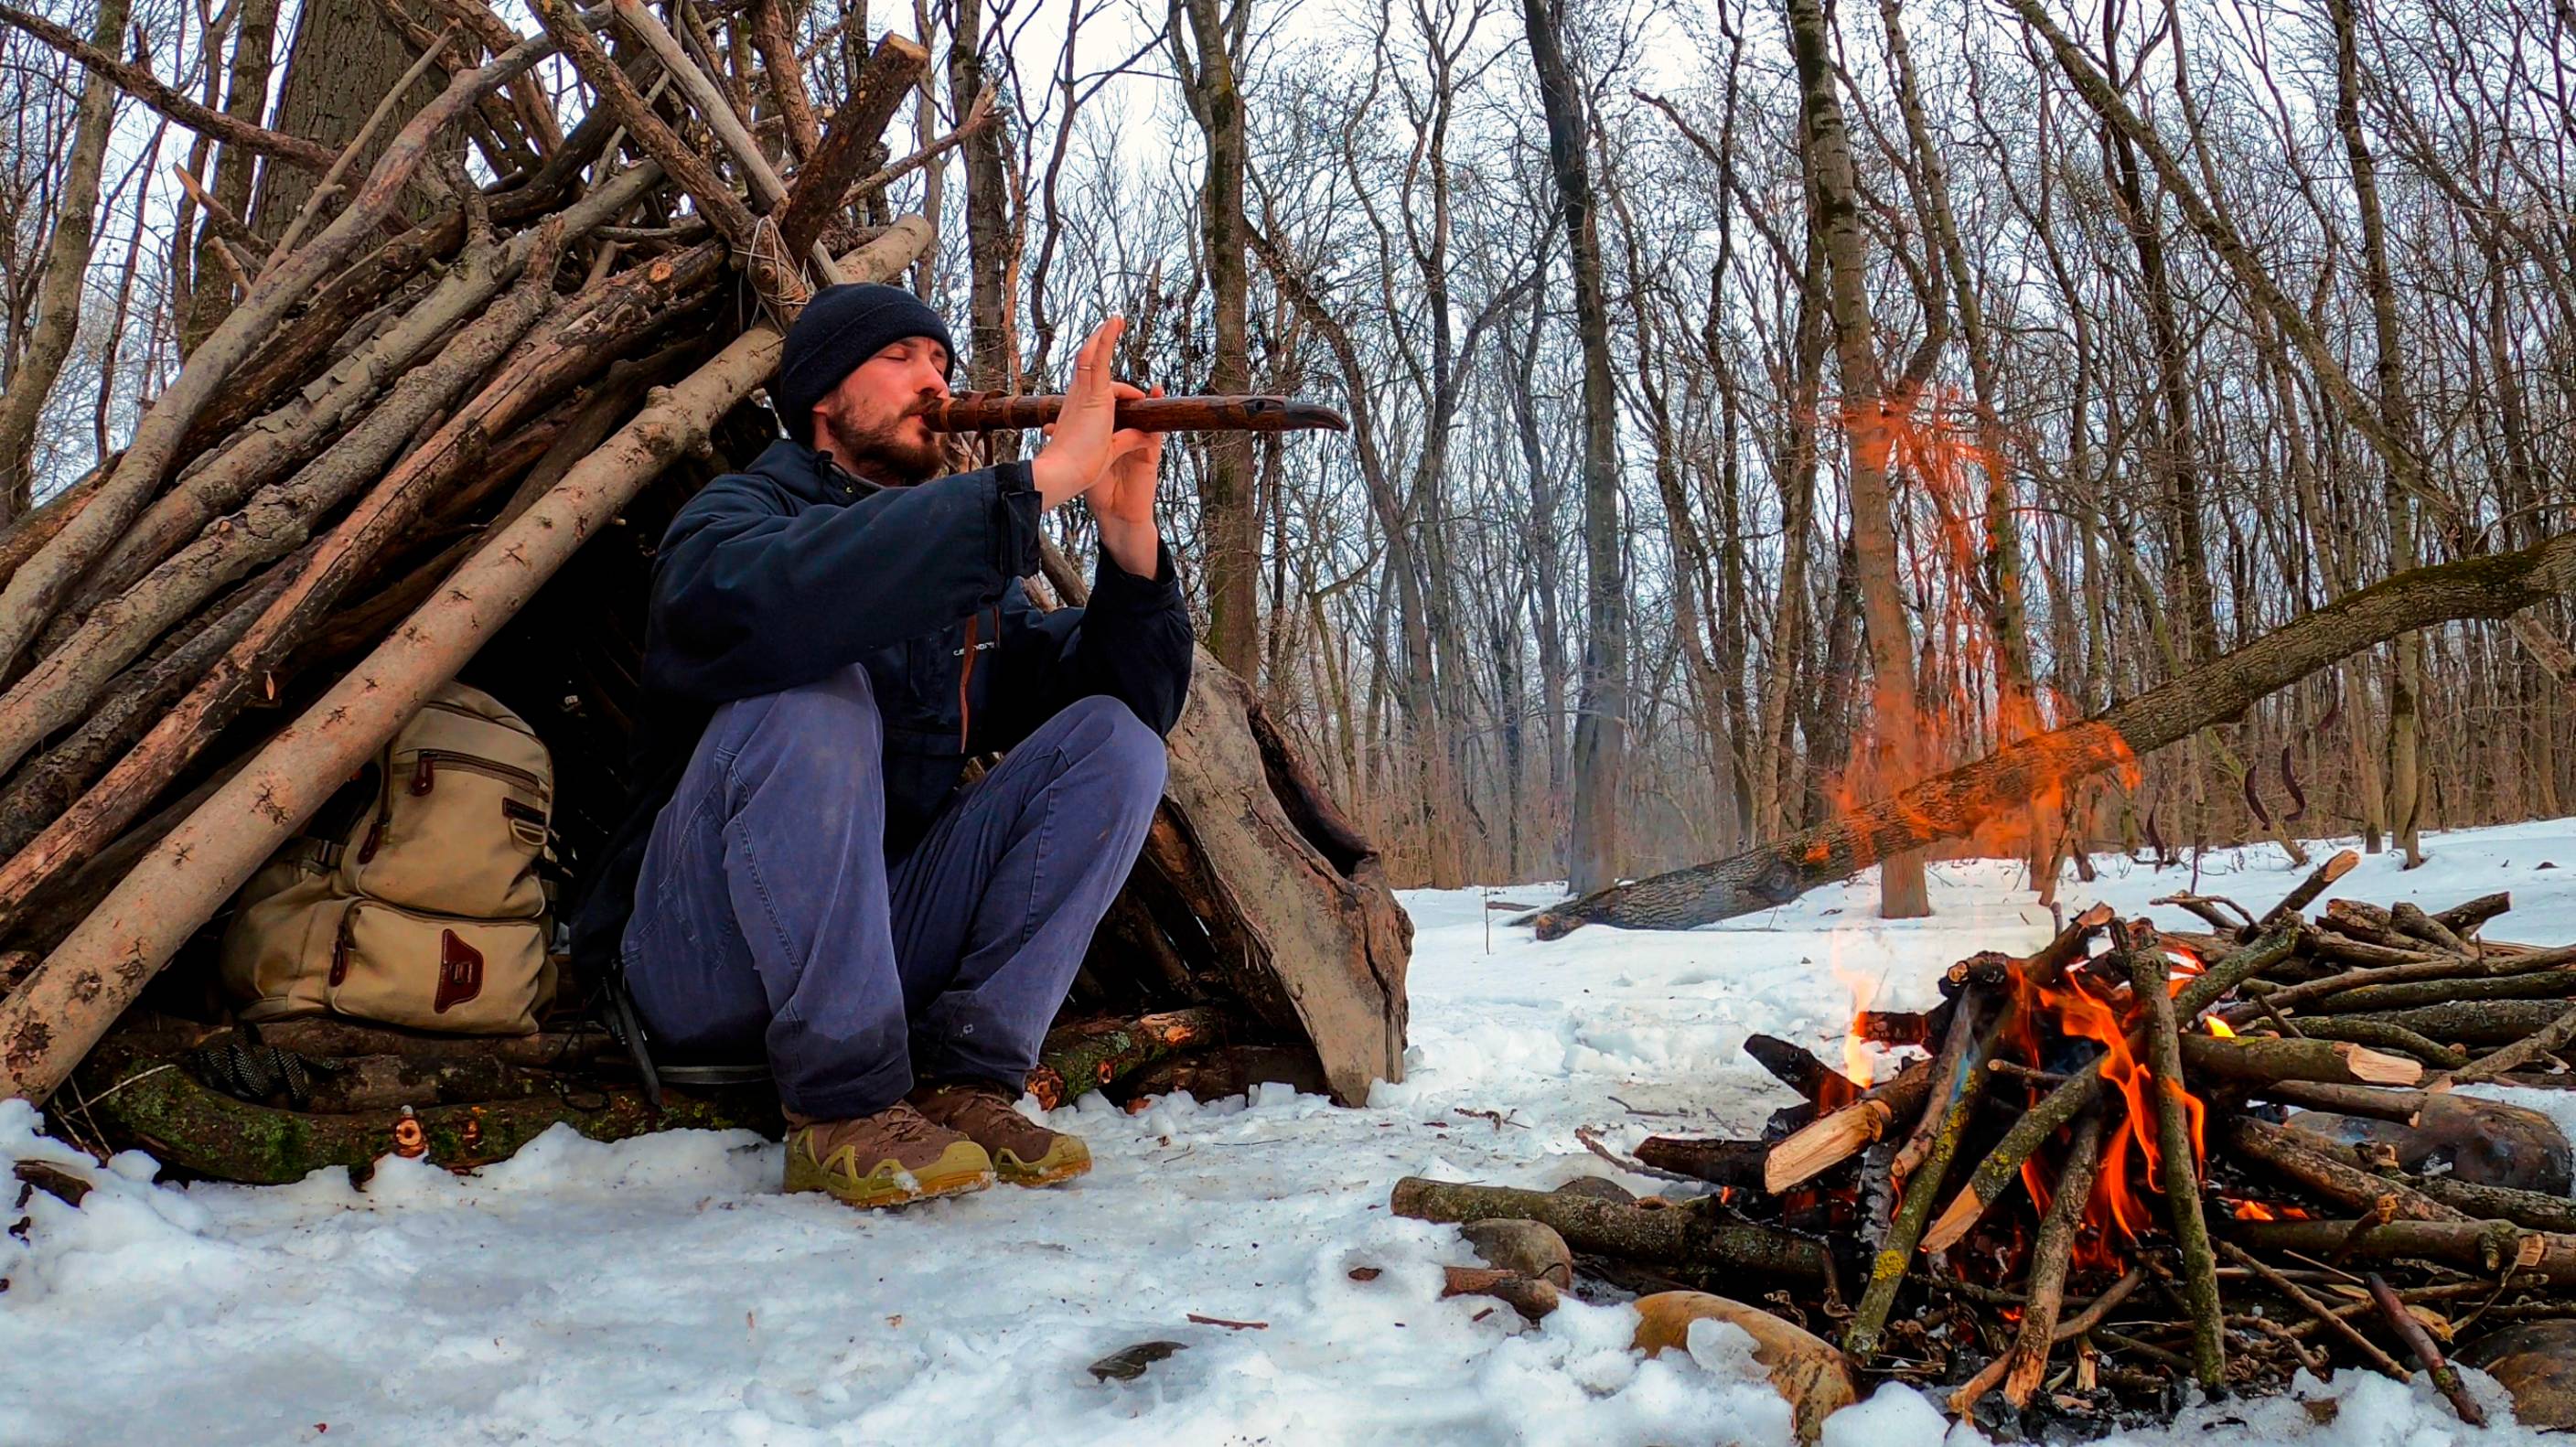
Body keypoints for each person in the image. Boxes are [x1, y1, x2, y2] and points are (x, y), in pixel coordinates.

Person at [570, 284, 1193, 1209]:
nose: (931, 378)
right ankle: (843, 1106)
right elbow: (784, 596)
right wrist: (1034, 483)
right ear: (823, 394)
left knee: (1118, 743)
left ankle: (964, 1080)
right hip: (700, 956)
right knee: (813, 690)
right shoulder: (733, 515)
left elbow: (1126, 698)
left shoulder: (969, 579)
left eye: (940, 362)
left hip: (876, 945)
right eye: (900, 357)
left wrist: (1124, 526)